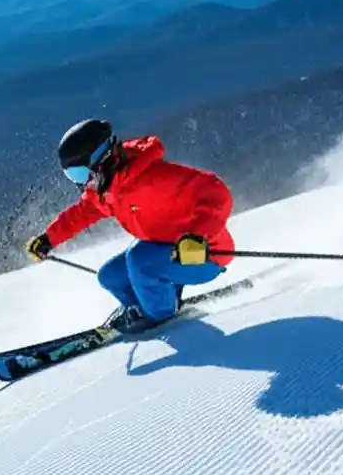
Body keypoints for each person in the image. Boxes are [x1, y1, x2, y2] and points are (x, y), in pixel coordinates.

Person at [26, 118, 235, 332]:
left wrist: (198, 236)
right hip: (164, 250)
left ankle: (161, 318)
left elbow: (215, 191)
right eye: (72, 176)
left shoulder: (152, 177)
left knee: (139, 261)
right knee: (109, 276)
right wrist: (49, 238)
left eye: (80, 173)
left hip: (203, 253)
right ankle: (142, 307)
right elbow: (83, 213)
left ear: (101, 158)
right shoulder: (109, 189)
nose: (81, 182)